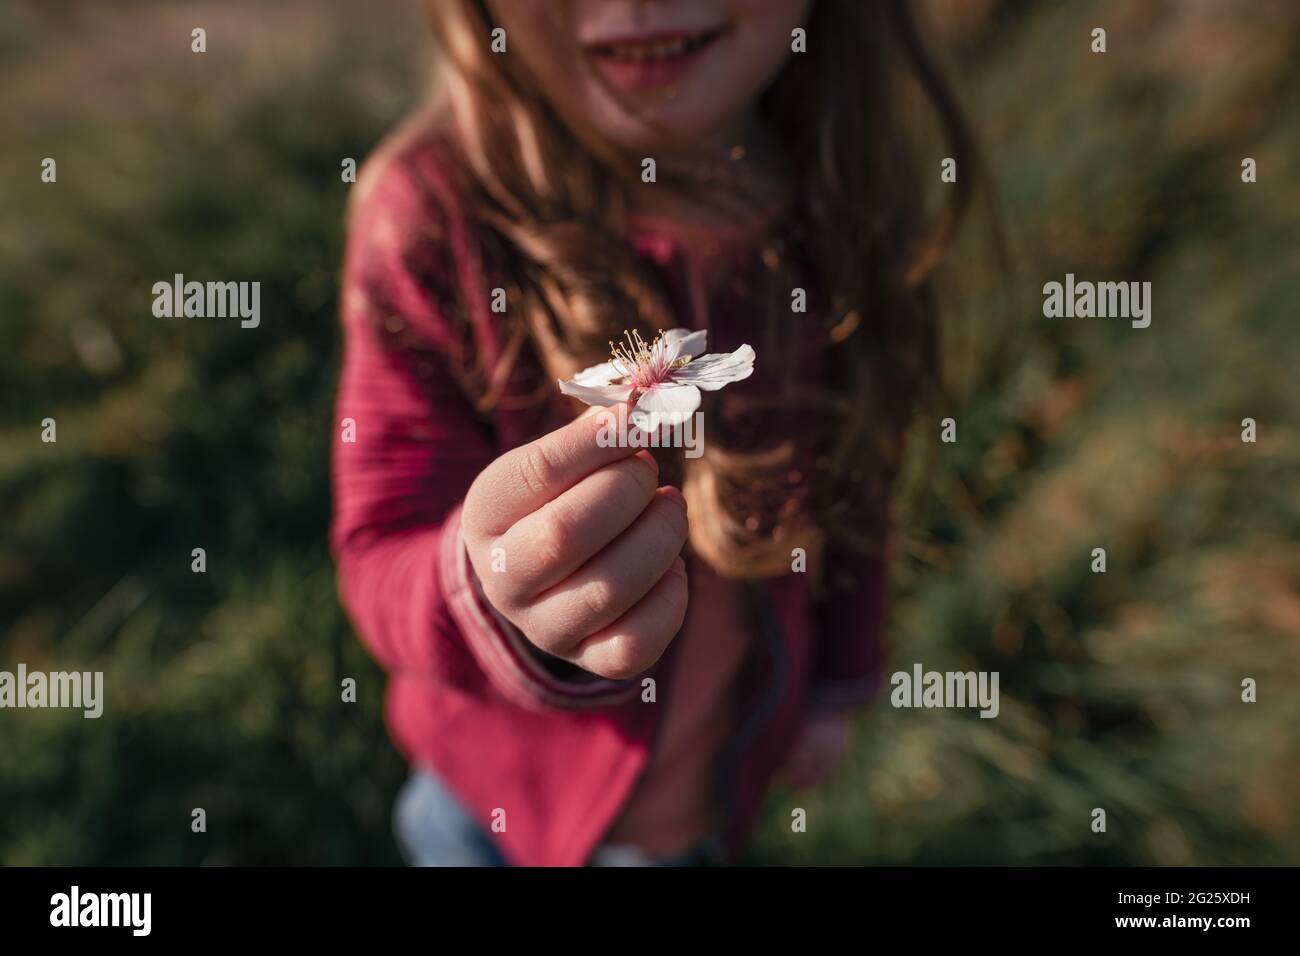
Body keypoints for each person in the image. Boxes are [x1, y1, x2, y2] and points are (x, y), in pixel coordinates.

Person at [331, 0, 976, 867]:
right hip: (489, 812)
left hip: (710, 799)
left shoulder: (835, 208)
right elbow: (379, 546)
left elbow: (858, 491)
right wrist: (489, 588)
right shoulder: (428, 220)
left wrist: (838, 684)